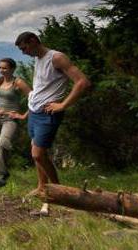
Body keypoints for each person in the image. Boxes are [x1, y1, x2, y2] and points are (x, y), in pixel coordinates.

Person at [15, 31, 90, 215]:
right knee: (36, 153)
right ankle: (42, 187)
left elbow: (82, 82)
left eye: (24, 48)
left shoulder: (57, 58)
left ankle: (58, 192)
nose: (23, 52)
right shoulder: (38, 58)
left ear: (33, 41)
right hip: (34, 111)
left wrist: (63, 105)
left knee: (38, 154)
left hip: (48, 114)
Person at [0, 58, 31, 180]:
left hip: (10, 119)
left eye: (5, 68)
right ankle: (1, 171)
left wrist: (23, 115)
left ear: (12, 69)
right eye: (0, 67)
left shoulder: (18, 83)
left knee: (3, 143)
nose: (1, 70)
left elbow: (34, 99)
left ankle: (2, 173)